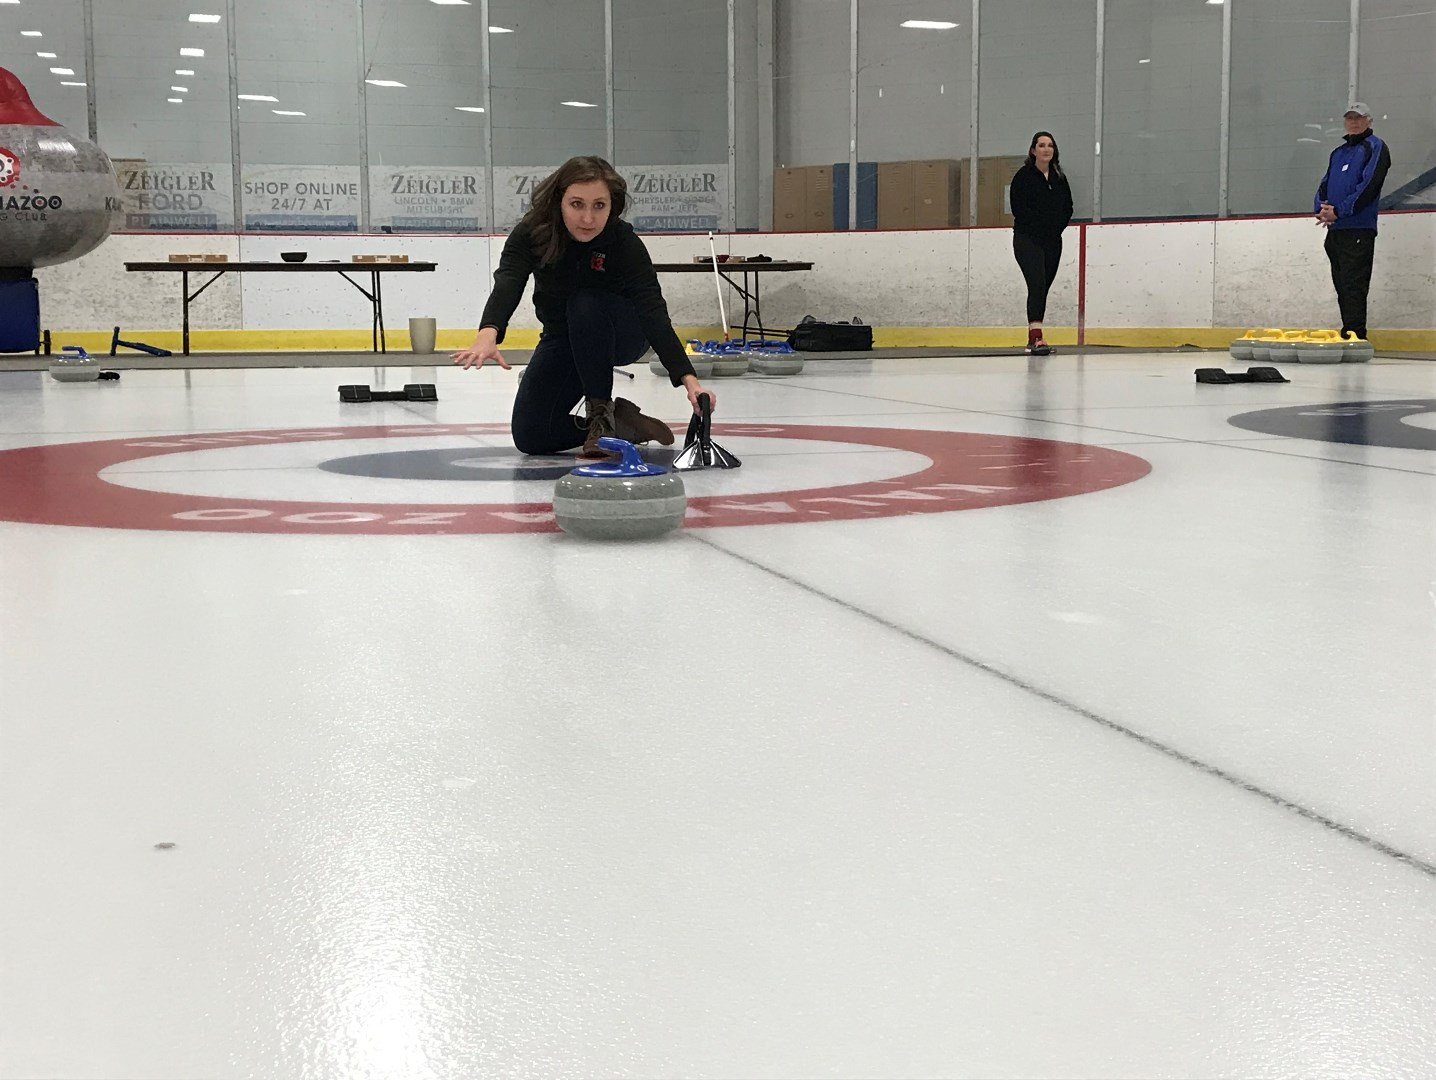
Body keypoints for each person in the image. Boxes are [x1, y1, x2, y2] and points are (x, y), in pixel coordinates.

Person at [452, 155, 714, 459]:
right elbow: (509, 279)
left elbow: (652, 311)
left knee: (585, 302)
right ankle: (623, 424)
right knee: (531, 435)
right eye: (577, 204)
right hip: (564, 336)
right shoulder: (532, 233)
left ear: (611, 205)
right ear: (558, 201)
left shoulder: (623, 242)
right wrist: (489, 330)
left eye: (599, 206)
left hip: (624, 333)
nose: (588, 218)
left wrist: (689, 379)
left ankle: (601, 417)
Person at [1315, 102, 1391, 342]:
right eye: (1350, 118)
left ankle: (1355, 334)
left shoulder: (1375, 147)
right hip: (1336, 229)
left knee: (1354, 283)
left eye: (1359, 118)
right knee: (1341, 283)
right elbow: (1325, 183)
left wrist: (1341, 210)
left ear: (1369, 121)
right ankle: (1348, 330)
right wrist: (1322, 208)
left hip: (1358, 228)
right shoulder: (1337, 153)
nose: (1354, 123)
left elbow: (1369, 185)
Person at [1009, 131, 1073, 356]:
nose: (1046, 149)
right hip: (1028, 240)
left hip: (1053, 241)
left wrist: (1055, 229)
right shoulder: (1023, 177)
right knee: (1036, 284)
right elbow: (1019, 209)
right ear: (1033, 150)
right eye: (1042, 145)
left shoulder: (1059, 178)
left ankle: (1033, 336)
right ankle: (1036, 338)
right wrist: (1041, 227)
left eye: (1050, 145)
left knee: (1043, 287)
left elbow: (1068, 208)